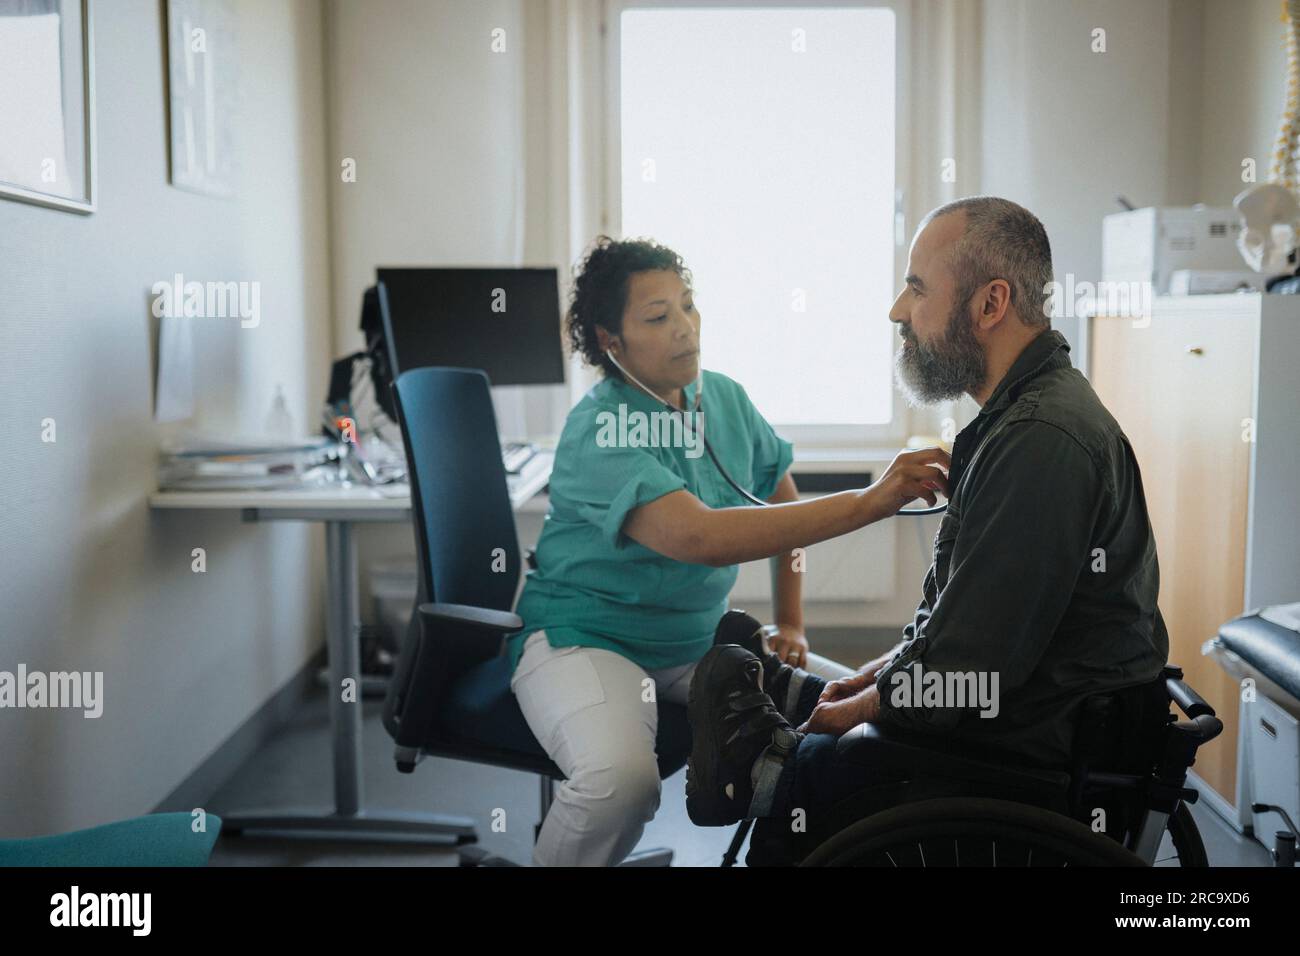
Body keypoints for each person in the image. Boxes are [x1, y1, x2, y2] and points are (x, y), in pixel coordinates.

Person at [684, 197, 1170, 863]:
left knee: (812, 783)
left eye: (916, 288)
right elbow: (963, 622)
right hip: (1034, 717)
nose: (896, 311)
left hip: (1031, 755)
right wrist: (873, 679)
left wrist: (862, 709)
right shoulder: (1018, 419)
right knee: (842, 721)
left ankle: (765, 766)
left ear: (989, 304)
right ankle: (786, 725)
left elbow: (971, 671)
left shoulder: (1040, 441)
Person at [509, 236, 951, 866]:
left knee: (854, 721)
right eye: (659, 318)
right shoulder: (599, 429)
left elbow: (781, 496)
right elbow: (701, 539)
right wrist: (874, 499)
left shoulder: (723, 400)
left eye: (689, 307)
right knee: (620, 785)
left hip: (695, 647)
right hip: (587, 640)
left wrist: (792, 618)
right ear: (612, 342)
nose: (686, 329)